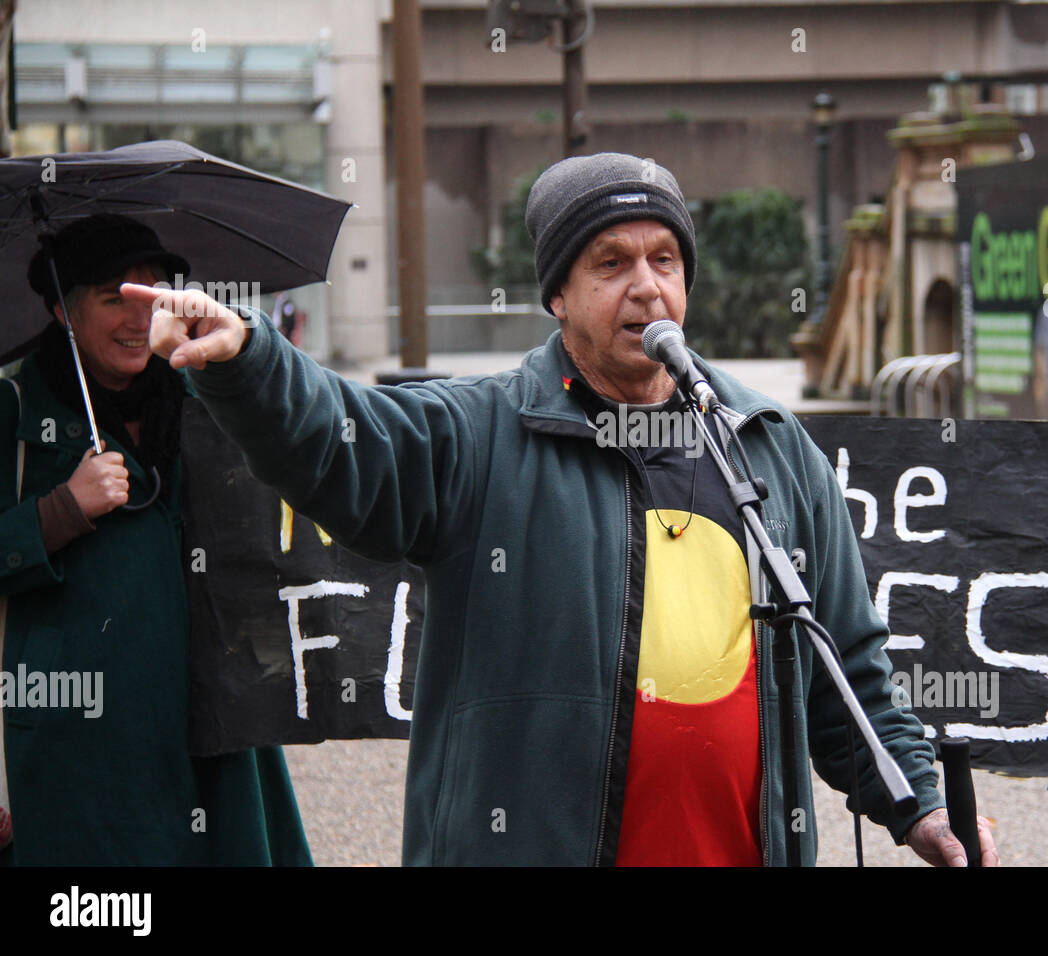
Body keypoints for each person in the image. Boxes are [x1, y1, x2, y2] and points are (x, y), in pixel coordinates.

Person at [128, 153, 998, 866]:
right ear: (557, 295)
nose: (648, 287)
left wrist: (918, 803)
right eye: (610, 264)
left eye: (665, 259)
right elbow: (341, 440)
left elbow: (843, 662)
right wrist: (247, 360)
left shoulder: (771, 447)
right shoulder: (479, 434)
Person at [0, 214, 313, 866]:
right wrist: (60, 510)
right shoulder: (16, 410)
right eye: (115, 298)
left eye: (151, 296)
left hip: (213, 717)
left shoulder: (200, 394)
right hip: (81, 732)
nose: (138, 318)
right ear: (63, 309)